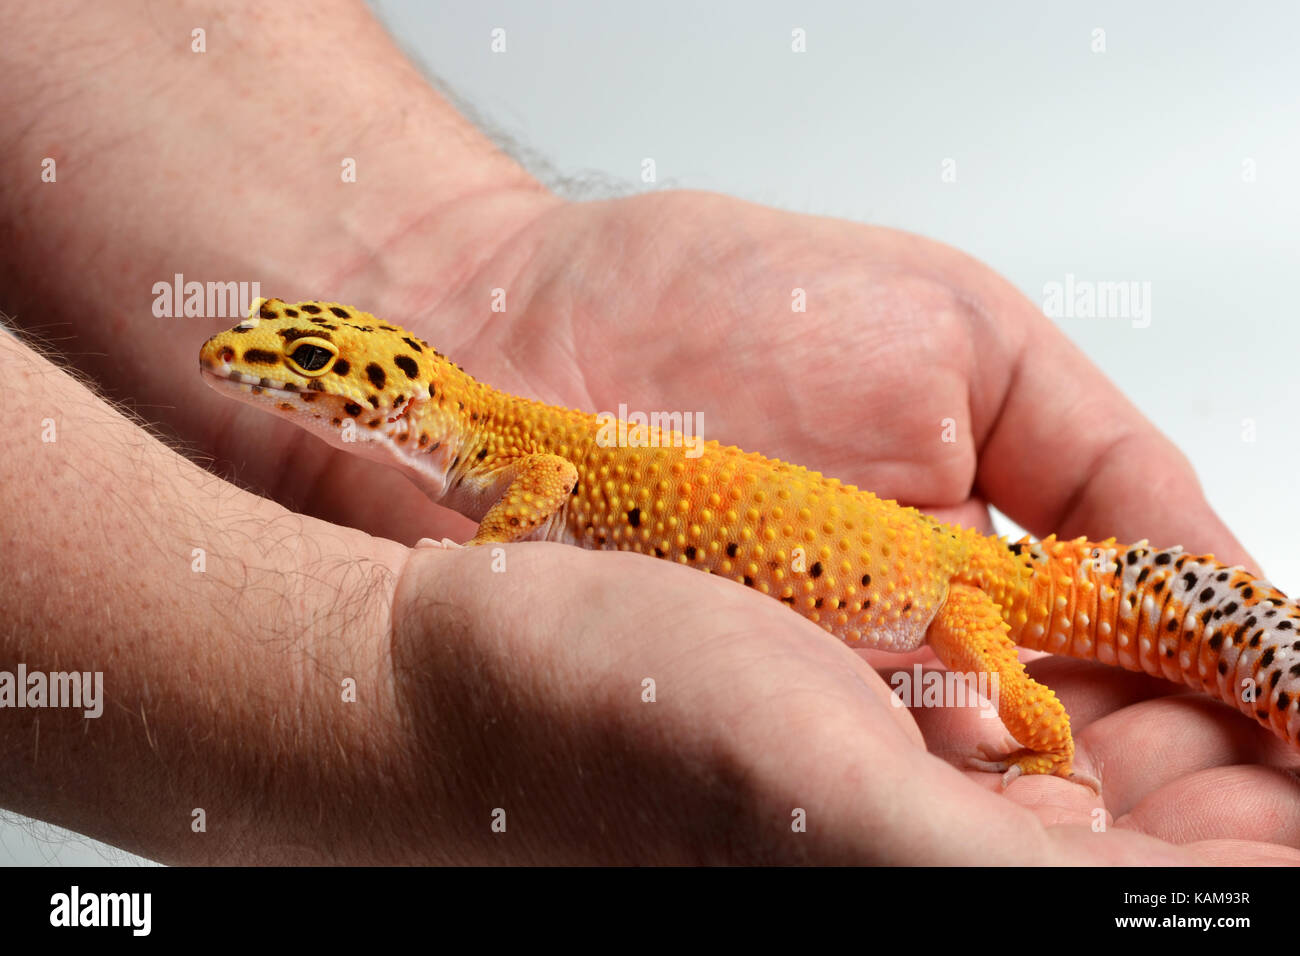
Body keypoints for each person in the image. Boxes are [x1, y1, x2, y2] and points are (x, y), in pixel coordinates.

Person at [0, 0, 1294, 865]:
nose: (256, 368)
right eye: (289, 358)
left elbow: (544, 486)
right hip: (933, 573)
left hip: (956, 587)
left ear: (384, 393)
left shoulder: (505, 446)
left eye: (300, 363)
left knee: (1022, 690)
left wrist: (1038, 753)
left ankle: (1107, 719)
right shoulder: (474, 431)